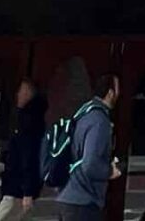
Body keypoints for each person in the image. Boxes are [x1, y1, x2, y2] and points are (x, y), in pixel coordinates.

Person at [55, 73, 121, 221]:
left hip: (67, 195)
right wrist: (110, 171)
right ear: (110, 93)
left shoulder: (83, 114)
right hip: (83, 202)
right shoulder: (100, 121)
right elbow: (90, 164)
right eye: (117, 90)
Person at [0, 78, 48, 221]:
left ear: (29, 94)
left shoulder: (28, 123)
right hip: (20, 187)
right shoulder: (32, 121)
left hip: (16, 188)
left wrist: (27, 191)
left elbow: (28, 158)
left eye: (22, 91)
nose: (18, 95)